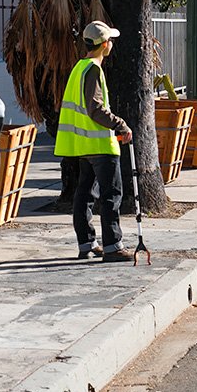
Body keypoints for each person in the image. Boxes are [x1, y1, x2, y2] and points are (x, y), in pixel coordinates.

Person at [54, 20, 134, 262]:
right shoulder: (94, 70)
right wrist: (121, 125)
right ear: (105, 44)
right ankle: (113, 247)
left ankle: (86, 243)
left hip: (83, 145)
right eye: (110, 40)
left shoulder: (80, 67)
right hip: (100, 145)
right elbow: (96, 109)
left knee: (84, 194)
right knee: (111, 194)